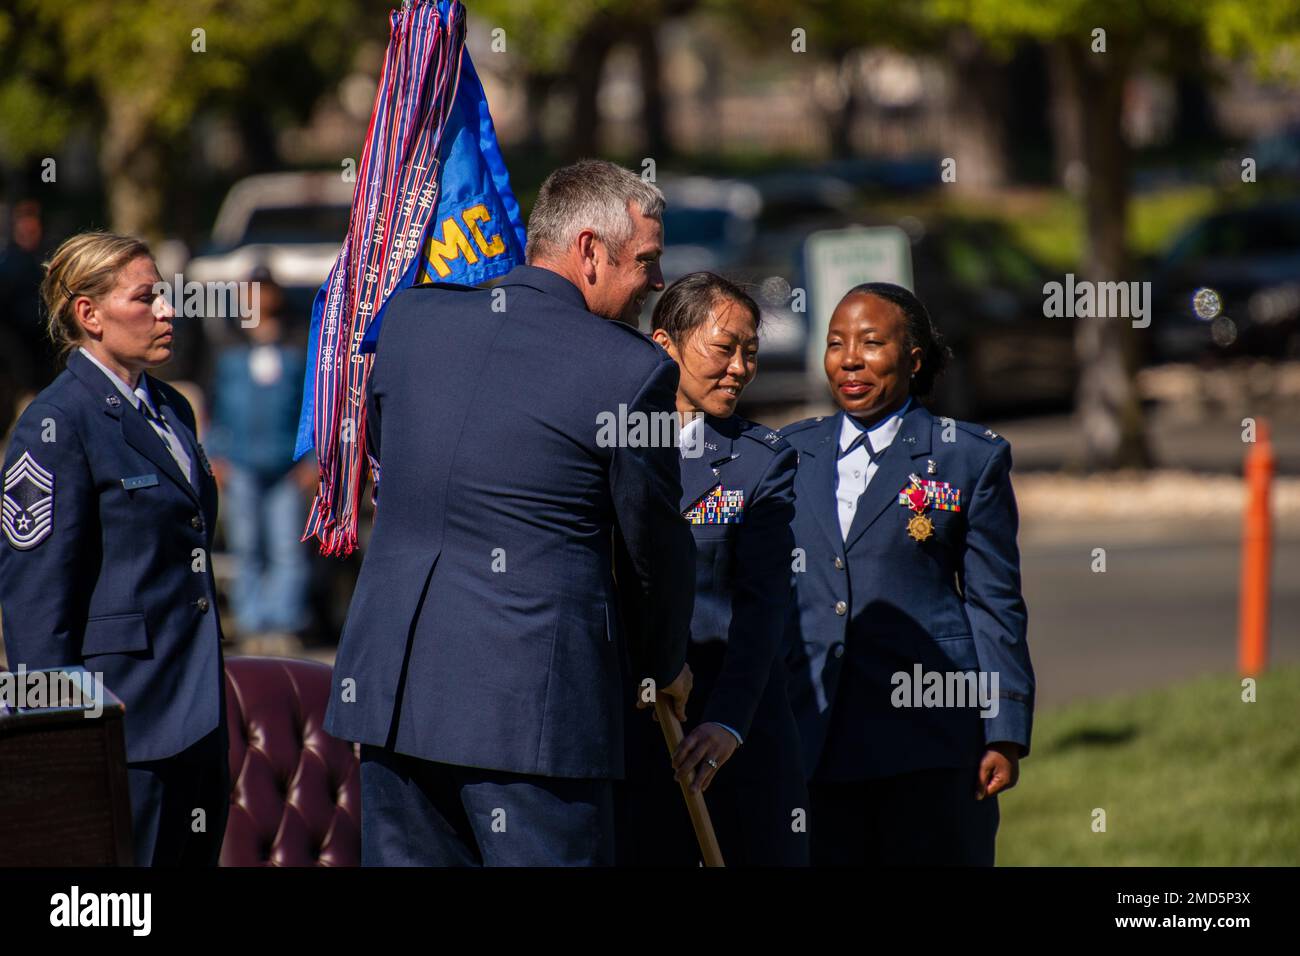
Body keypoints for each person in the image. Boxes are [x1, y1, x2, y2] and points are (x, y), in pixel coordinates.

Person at [324, 159, 696, 866]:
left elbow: (385, 454)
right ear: (588, 249)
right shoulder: (632, 369)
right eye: (646, 260)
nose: (655, 282)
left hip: (398, 696)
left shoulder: (409, 321)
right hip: (534, 717)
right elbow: (653, 546)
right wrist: (663, 662)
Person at [780, 282, 1034, 866]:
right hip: (813, 736)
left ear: (913, 360)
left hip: (930, 737)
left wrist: (1003, 728)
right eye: (836, 343)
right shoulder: (788, 454)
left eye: (871, 343)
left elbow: (995, 603)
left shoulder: (967, 457)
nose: (849, 359)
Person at [0, 231, 228, 866]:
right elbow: (36, 606)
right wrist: (58, 752)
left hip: (198, 717)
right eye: (146, 297)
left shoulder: (173, 408)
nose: (167, 310)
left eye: (166, 295)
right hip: (121, 729)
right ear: (89, 314)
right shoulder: (55, 425)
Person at [615, 272, 808, 866]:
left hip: (725, 726)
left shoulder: (761, 463)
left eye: (750, 351)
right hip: (632, 728)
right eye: (724, 348)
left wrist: (727, 721)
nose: (740, 367)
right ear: (664, 343)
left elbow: (763, 607)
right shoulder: (613, 443)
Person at [207, 271, 315, 653]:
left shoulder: (298, 342)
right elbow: (213, 405)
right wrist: (215, 455)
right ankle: (252, 624)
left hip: (286, 465)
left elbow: (312, 405)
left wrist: (312, 459)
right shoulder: (227, 344)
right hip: (240, 465)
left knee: (287, 548)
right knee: (246, 546)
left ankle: (283, 623)